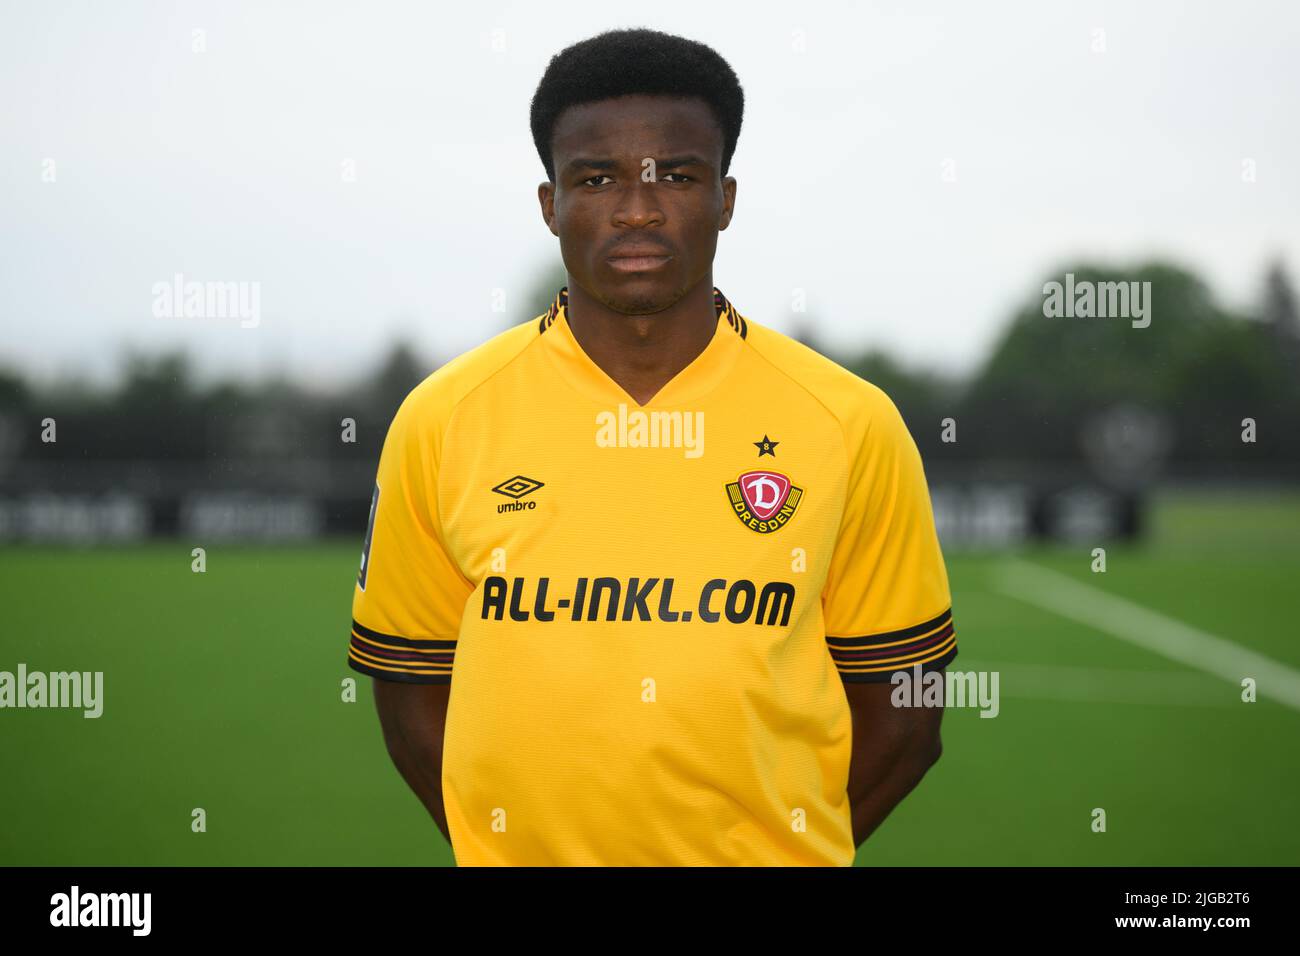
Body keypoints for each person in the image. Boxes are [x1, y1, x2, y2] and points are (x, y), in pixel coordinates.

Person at [347, 27, 957, 866]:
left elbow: (907, 718)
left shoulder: (849, 422)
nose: (637, 208)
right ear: (550, 203)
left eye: (676, 174)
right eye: (596, 179)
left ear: (727, 198)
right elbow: (411, 692)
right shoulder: (442, 419)